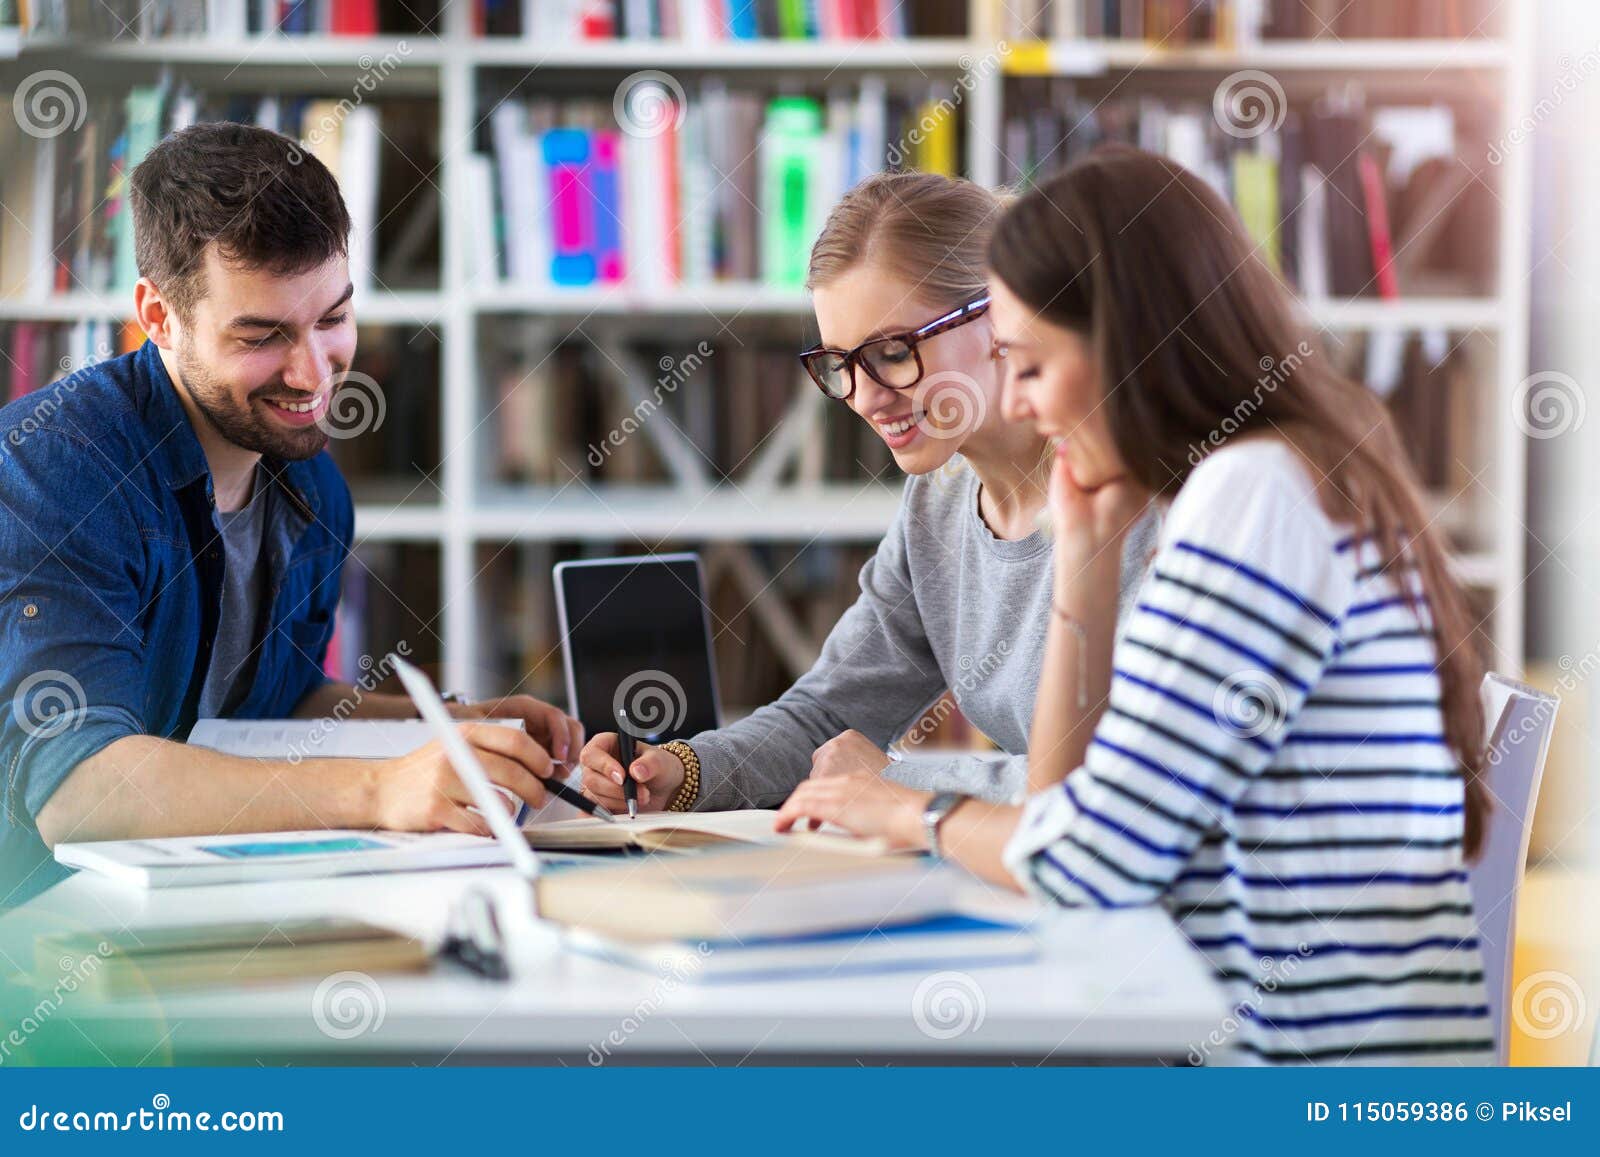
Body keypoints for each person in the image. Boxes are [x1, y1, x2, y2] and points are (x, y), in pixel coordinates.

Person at [774, 146, 1494, 1065]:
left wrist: (906, 805)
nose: (1023, 405)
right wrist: (1082, 555)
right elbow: (1073, 802)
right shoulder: (1259, 476)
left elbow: (1089, 858)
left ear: (1123, 344)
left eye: (1031, 364)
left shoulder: (1255, 496)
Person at [0, 123, 579, 905]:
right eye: (263, 335)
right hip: (38, 926)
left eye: (333, 318)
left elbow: (272, 703)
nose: (312, 374)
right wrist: (382, 790)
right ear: (159, 315)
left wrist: (449, 727)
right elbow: (81, 791)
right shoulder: (54, 468)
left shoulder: (309, 484)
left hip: (188, 903)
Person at [577, 171, 1157, 816]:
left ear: (1002, 312)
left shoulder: (1134, 501)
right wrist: (684, 770)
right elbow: (829, 714)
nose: (866, 397)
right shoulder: (939, 503)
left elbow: (1131, 780)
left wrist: (896, 787)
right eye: (839, 364)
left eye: (892, 351)